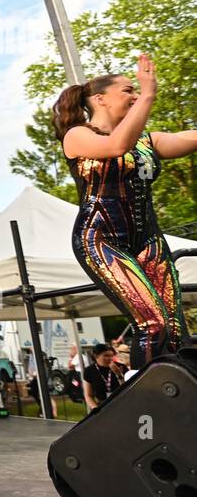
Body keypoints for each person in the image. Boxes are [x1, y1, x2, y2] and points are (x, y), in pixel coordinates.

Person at [54, 54, 197, 371]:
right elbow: (116, 146)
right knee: (153, 323)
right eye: (128, 91)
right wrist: (148, 94)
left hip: (149, 240)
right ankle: (144, 401)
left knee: (175, 330)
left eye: (136, 91)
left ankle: (178, 399)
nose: (135, 96)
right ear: (99, 99)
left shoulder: (148, 140)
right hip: (102, 240)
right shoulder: (78, 135)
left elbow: (189, 138)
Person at [82, 343, 122, 411]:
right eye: (106, 355)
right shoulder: (89, 370)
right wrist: (94, 407)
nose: (110, 358)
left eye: (112, 355)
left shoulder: (120, 367)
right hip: (102, 406)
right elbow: (88, 394)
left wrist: (119, 375)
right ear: (96, 356)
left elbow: (128, 387)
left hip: (121, 403)